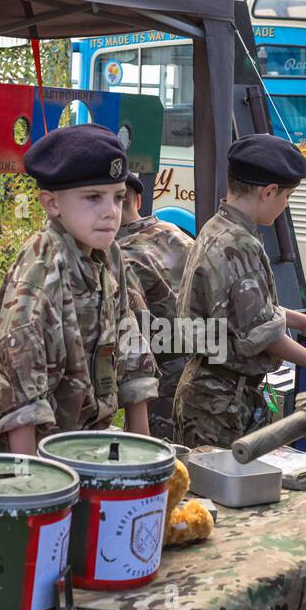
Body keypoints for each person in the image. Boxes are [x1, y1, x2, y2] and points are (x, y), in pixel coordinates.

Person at [0, 123, 158, 454]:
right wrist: (34, 485)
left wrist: (142, 454)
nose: (110, 212)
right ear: (52, 204)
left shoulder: (109, 253)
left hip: (84, 444)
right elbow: (18, 386)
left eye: (118, 198)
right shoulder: (43, 267)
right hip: (36, 456)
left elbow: (131, 344)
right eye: (93, 198)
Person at [174, 134, 306, 449]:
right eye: (286, 197)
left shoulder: (218, 227)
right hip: (220, 401)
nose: (285, 206)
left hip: (212, 391)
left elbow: (245, 310)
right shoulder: (239, 244)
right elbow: (262, 333)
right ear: (269, 192)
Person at [116, 171, 194, 442]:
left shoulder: (120, 258)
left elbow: (134, 339)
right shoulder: (173, 233)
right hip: (202, 362)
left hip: (159, 374)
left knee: (162, 454)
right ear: (138, 200)